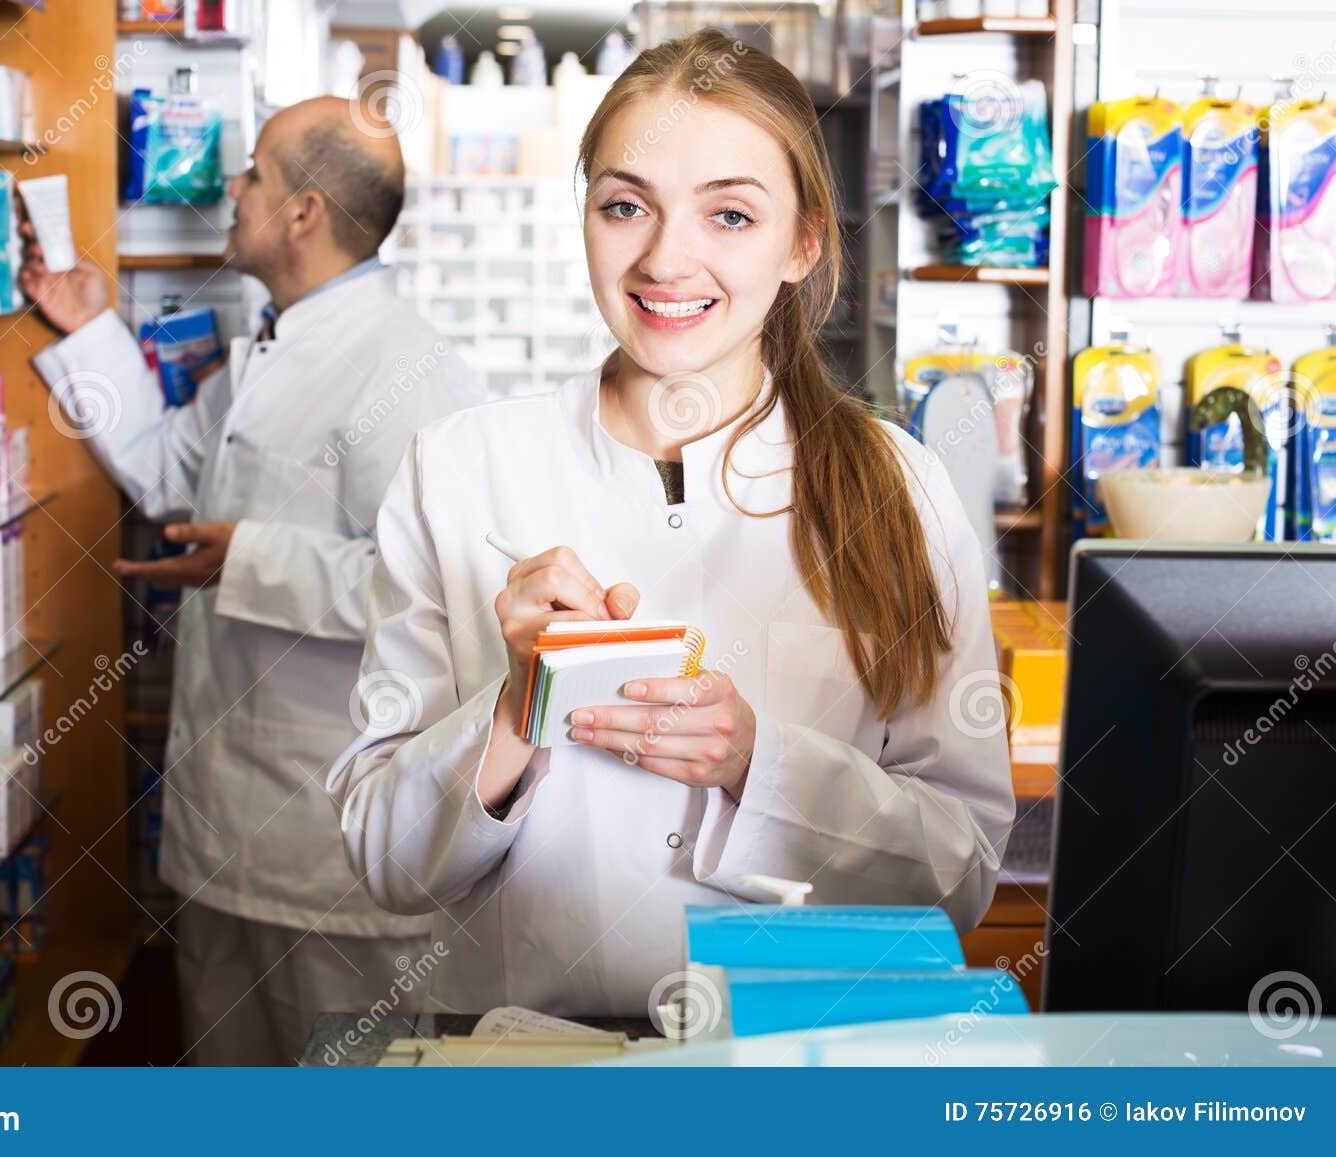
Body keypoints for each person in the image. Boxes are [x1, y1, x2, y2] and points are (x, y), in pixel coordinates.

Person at [327, 30, 1016, 1016]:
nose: (664, 258)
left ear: (803, 241)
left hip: (794, 1063)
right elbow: (383, 862)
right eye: (624, 206)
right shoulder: (460, 468)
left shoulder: (899, 487)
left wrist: (757, 764)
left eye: (729, 213)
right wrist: (514, 710)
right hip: (527, 1062)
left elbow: (961, 872)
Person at [23, 96, 481, 1062]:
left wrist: (253, 558)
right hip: (225, 832)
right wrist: (89, 327)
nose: (233, 190)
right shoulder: (274, 349)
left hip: (331, 859)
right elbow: (168, 476)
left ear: (304, 213)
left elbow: (445, 591)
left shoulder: (403, 367)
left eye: (255, 174)